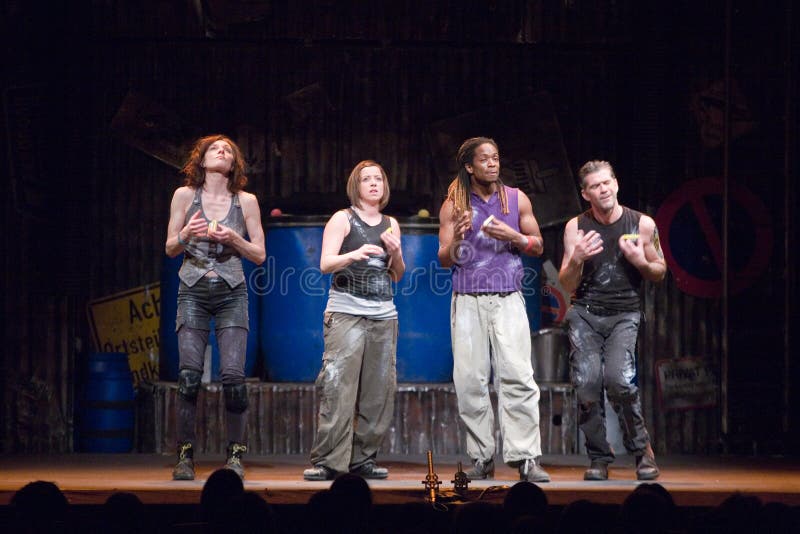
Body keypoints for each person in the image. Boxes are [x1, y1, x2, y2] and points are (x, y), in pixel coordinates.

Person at [437, 136, 550, 483]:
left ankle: (526, 458)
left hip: (507, 298)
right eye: (484, 159)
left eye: (496, 158)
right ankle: (481, 456)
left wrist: (512, 235)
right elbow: (444, 259)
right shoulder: (453, 204)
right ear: (470, 166)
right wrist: (457, 237)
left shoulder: (515, 199)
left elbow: (538, 245)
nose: (493, 164)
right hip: (468, 298)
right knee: (470, 380)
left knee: (518, 375)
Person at [165, 134, 266, 480]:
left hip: (231, 291)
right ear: (202, 159)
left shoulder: (246, 201)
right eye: (214, 148)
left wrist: (234, 239)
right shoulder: (184, 196)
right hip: (192, 289)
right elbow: (169, 248)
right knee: (189, 376)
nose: (222, 151)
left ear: (234, 163)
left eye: (228, 150)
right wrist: (185, 235)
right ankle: (184, 455)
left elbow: (260, 253)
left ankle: (236, 454)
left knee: (234, 378)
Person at [558, 160, 666, 481]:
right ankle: (599, 458)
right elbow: (566, 284)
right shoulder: (575, 227)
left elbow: (660, 271)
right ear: (585, 193)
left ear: (616, 184)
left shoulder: (642, 224)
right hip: (585, 314)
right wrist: (576, 258)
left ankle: (641, 450)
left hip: (624, 313)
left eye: (607, 183)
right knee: (587, 385)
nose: (603, 189)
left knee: (619, 381)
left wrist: (640, 261)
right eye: (595, 186)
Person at [303, 160, 405, 481]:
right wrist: (354, 254)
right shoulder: (342, 219)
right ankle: (329, 460)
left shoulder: (390, 223)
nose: (374, 183)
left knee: (379, 390)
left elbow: (397, 274)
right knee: (338, 385)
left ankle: (363, 458)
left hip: (383, 314)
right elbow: (325, 264)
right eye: (367, 179)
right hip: (346, 310)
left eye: (378, 178)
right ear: (356, 186)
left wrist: (397, 253)